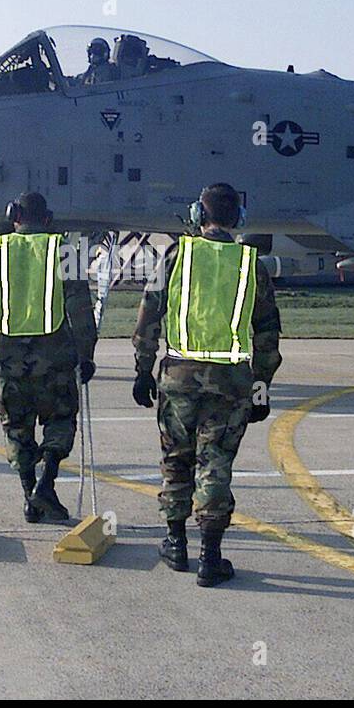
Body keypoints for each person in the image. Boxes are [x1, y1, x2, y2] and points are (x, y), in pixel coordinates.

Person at [131, 183, 282, 587]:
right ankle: (209, 558)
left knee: (176, 461)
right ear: (239, 221)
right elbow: (267, 334)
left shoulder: (177, 256)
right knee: (214, 465)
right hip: (231, 383)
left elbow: (148, 317)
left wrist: (143, 369)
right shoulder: (253, 266)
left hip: (178, 378)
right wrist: (262, 386)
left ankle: (175, 544)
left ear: (198, 214)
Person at [0, 192, 98, 523]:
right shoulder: (64, 250)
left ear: (14, 215)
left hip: (10, 361)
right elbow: (80, 308)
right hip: (56, 359)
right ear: (47, 218)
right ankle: (46, 483)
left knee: (17, 429)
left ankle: (31, 495)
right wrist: (87, 355)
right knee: (60, 420)